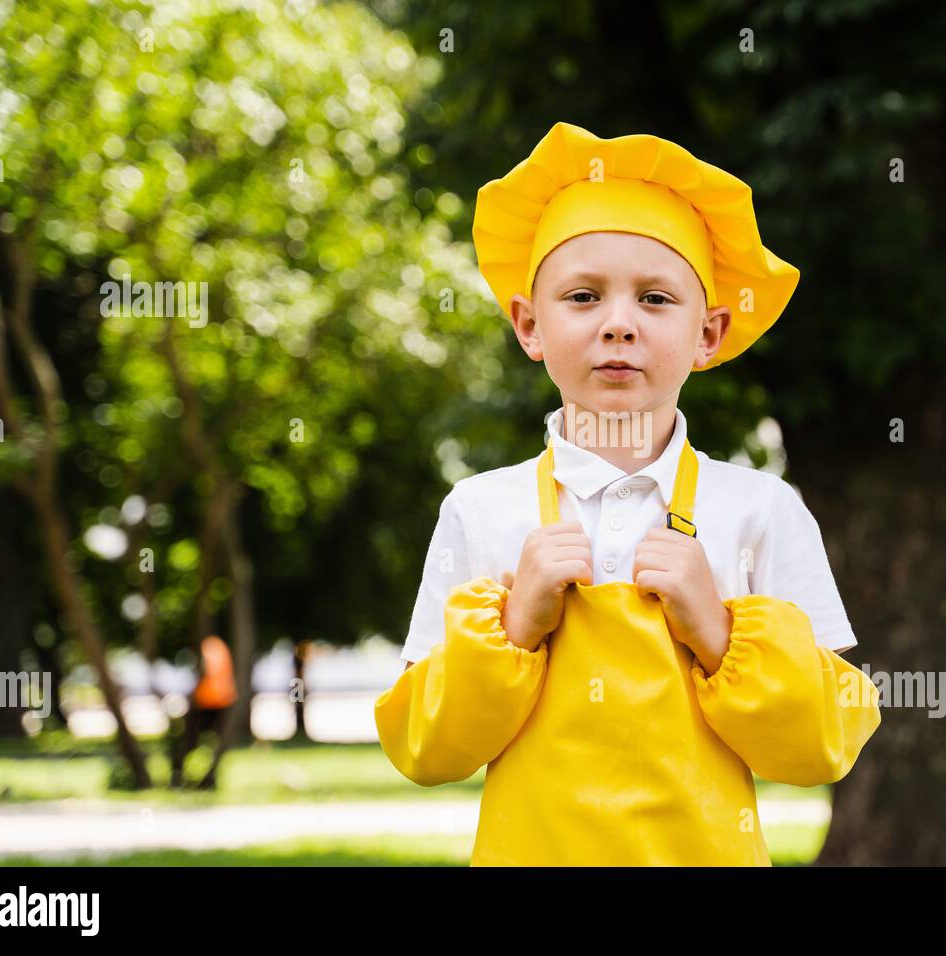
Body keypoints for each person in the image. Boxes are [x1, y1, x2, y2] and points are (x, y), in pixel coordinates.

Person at [374, 122, 882, 865]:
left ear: (708, 333)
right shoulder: (479, 511)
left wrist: (717, 632)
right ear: (529, 324)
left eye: (654, 299)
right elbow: (425, 750)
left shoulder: (761, 510)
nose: (618, 325)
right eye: (582, 297)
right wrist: (514, 628)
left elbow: (822, 748)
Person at [170, 634, 236, 787]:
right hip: (222, 699)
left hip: (207, 701)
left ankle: (181, 775)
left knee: (191, 740)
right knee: (211, 742)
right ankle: (204, 777)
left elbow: (206, 672)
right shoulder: (219, 645)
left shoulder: (207, 648)